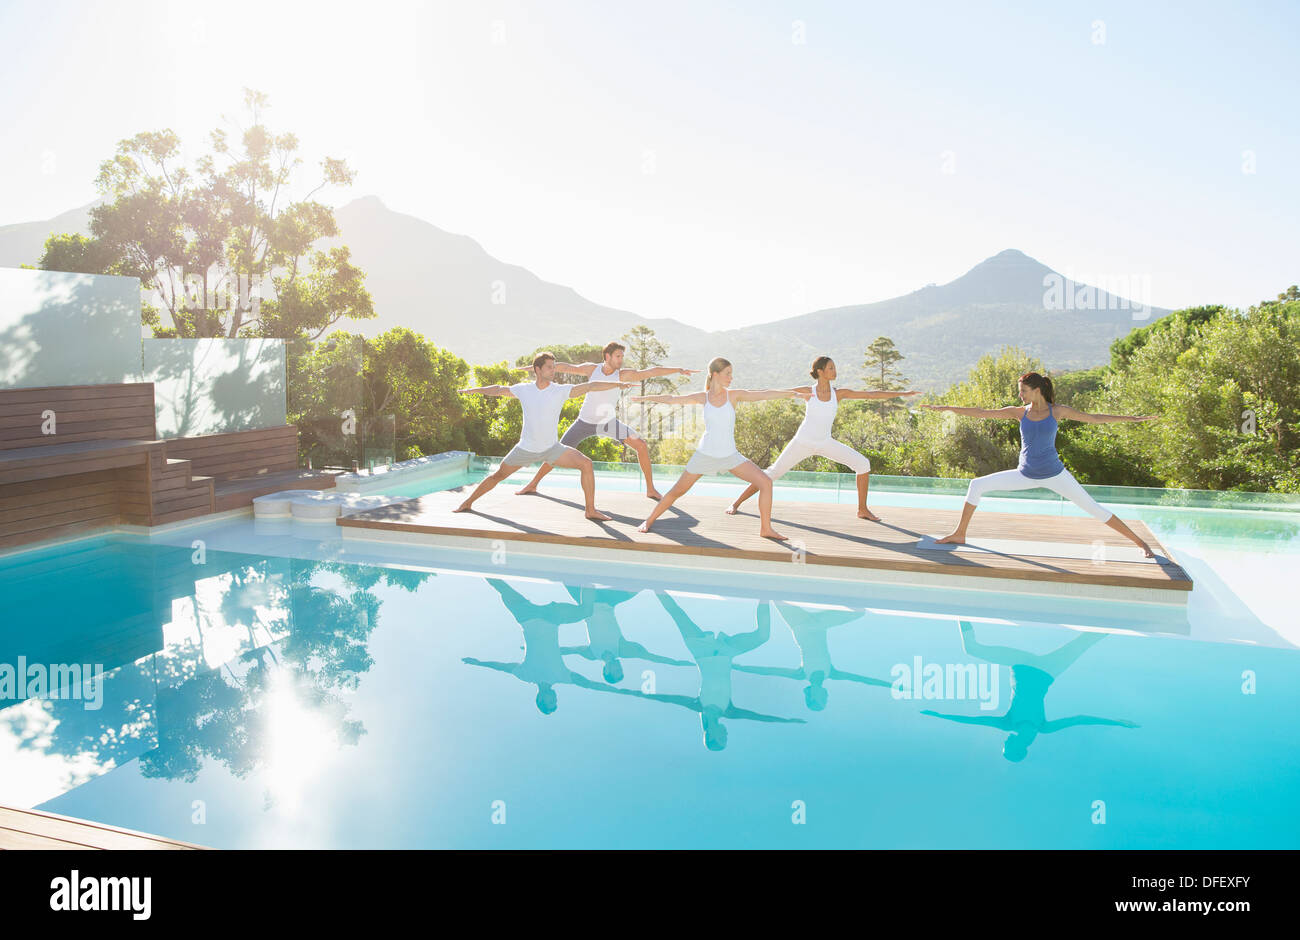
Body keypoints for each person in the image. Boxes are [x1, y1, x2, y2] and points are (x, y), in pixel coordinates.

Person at [921, 371, 1160, 556]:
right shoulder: (1019, 412)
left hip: (1056, 475)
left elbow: (1095, 418)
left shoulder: (1058, 411)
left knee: (1094, 509)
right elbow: (983, 412)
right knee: (976, 485)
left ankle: (1141, 542)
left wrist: (1133, 418)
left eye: (1023, 391)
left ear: (1037, 390)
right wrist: (948, 408)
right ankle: (960, 533)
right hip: (1025, 474)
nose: (1020, 395)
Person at [631, 358, 808, 540]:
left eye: (731, 374)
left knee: (766, 482)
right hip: (704, 455)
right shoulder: (703, 397)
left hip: (730, 456)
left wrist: (793, 394)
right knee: (676, 491)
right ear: (715, 374)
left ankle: (766, 529)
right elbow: (671, 399)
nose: (731, 377)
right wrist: (645, 398)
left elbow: (762, 394)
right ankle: (649, 520)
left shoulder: (733, 395)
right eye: (727, 373)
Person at [726, 355, 918, 521]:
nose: (835, 371)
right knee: (772, 473)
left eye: (834, 368)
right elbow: (774, 393)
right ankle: (736, 503)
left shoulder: (838, 394)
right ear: (820, 371)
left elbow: (871, 394)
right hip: (802, 442)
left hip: (825, 442)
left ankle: (862, 509)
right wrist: (739, 395)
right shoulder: (808, 392)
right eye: (831, 368)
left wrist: (903, 393)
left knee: (863, 464)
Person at [455, 352, 632, 519]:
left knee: (586, 464)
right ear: (537, 370)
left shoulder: (560, 390)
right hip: (525, 449)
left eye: (554, 367)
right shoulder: (524, 390)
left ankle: (590, 510)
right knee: (497, 476)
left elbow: (591, 386)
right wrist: (472, 390)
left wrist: (617, 384)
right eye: (549, 367)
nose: (553, 370)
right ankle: (467, 502)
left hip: (551, 449)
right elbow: (498, 389)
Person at [516, 341, 700, 499]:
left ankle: (651, 489)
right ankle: (533, 484)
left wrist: (678, 370)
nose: (621, 360)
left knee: (641, 445)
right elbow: (566, 367)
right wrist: (532, 368)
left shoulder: (622, 374)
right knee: (555, 453)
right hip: (584, 422)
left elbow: (650, 372)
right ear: (607, 356)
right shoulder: (592, 369)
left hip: (608, 423)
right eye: (618, 356)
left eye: (622, 356)